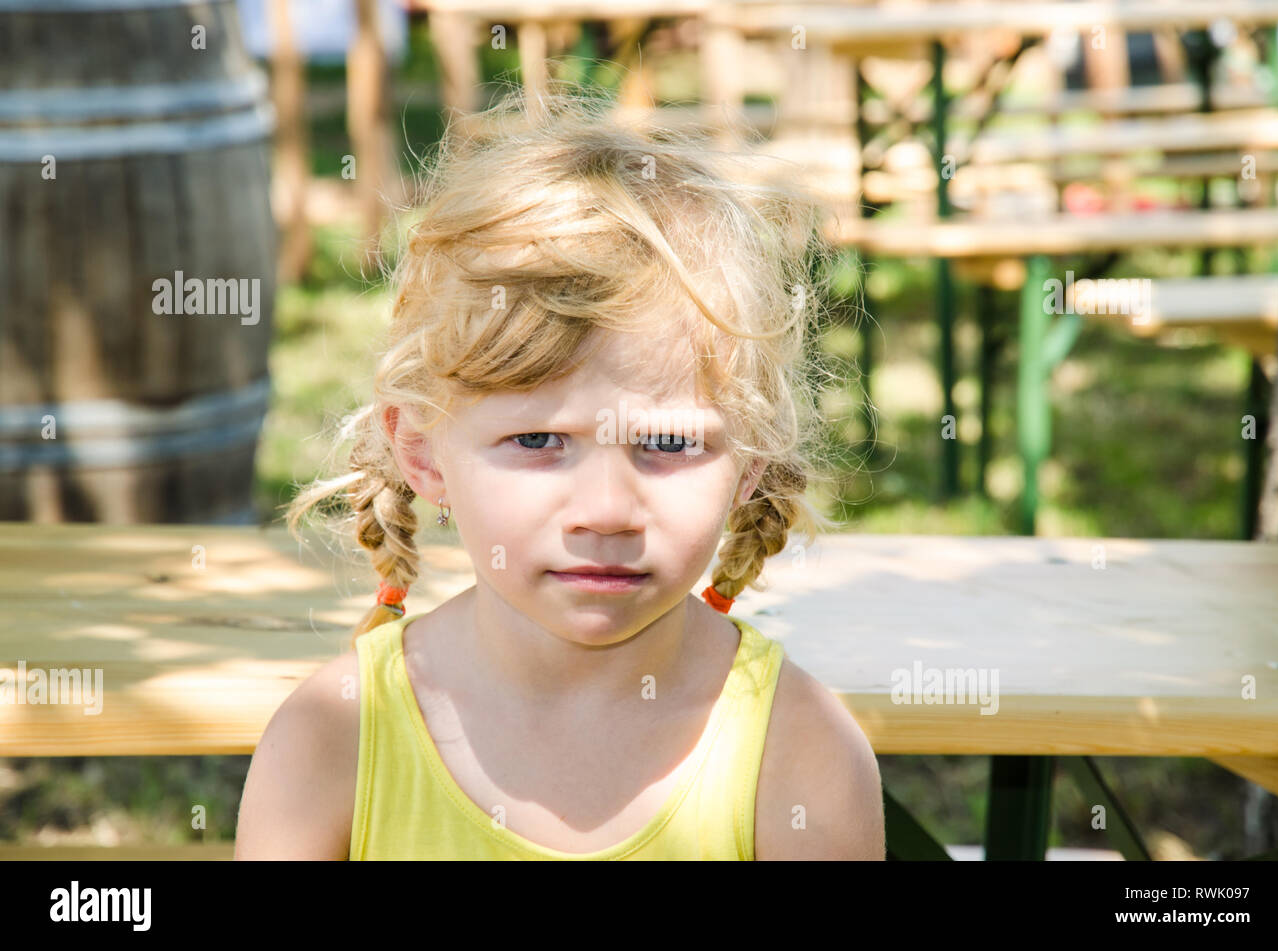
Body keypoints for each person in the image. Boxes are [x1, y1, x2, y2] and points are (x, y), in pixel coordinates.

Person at [235, 80, 884, 860]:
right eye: (539, 441)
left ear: (752, 459)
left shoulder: (801, 754)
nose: (606, 510)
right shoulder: (333, 740)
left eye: (669, 444)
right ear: (420, 453)